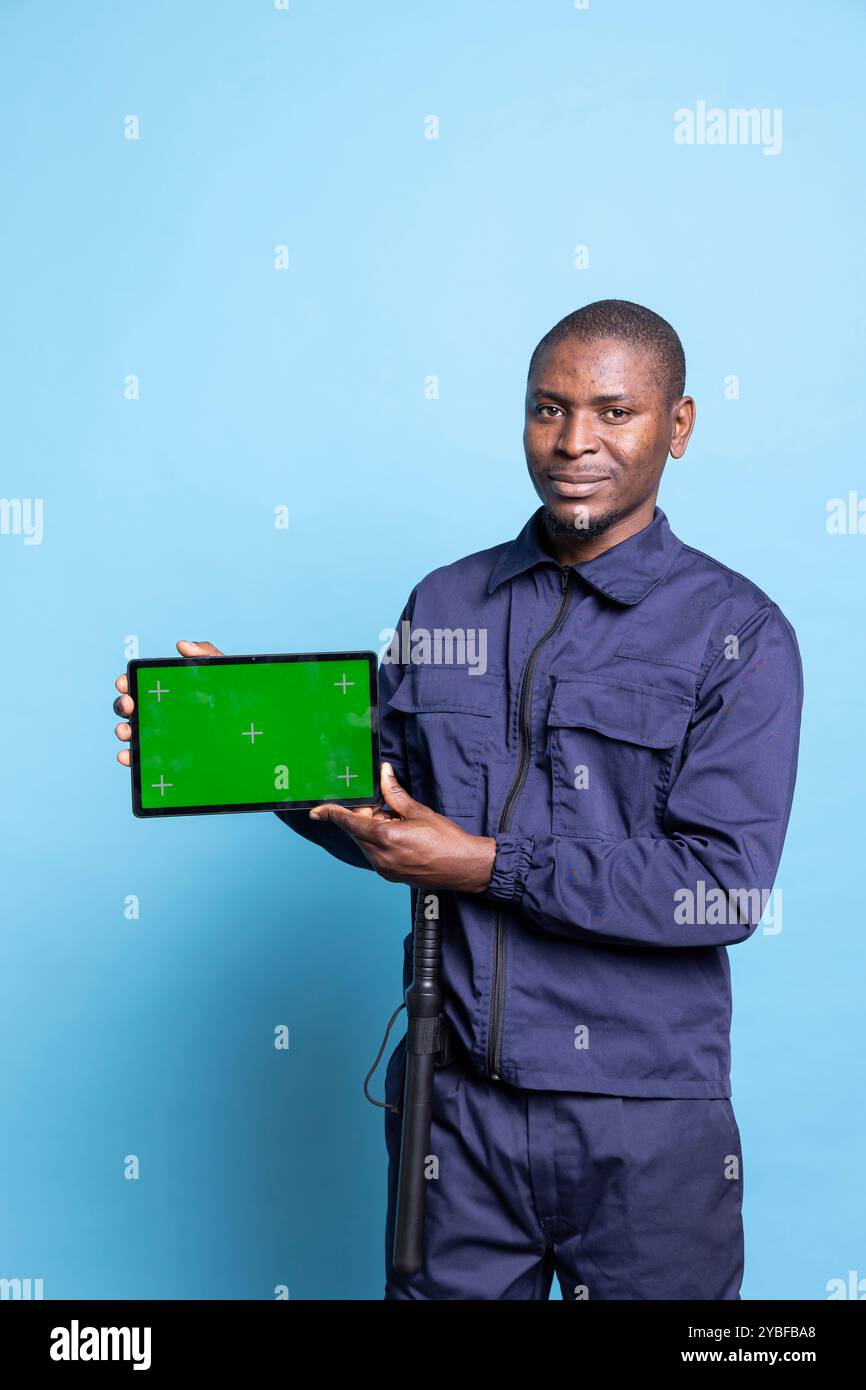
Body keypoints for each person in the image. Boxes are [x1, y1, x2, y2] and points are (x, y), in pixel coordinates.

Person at [113, 300, 803, 1300]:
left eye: (612, 412)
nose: (574, 442)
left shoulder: (738, 633)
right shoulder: (444, 603)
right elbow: (386, 812)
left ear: (678, 426)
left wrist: (482, 862)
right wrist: (236, 730)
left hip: (643, 1122)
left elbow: (721, 887)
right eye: (547, 409)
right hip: (454, 1115)